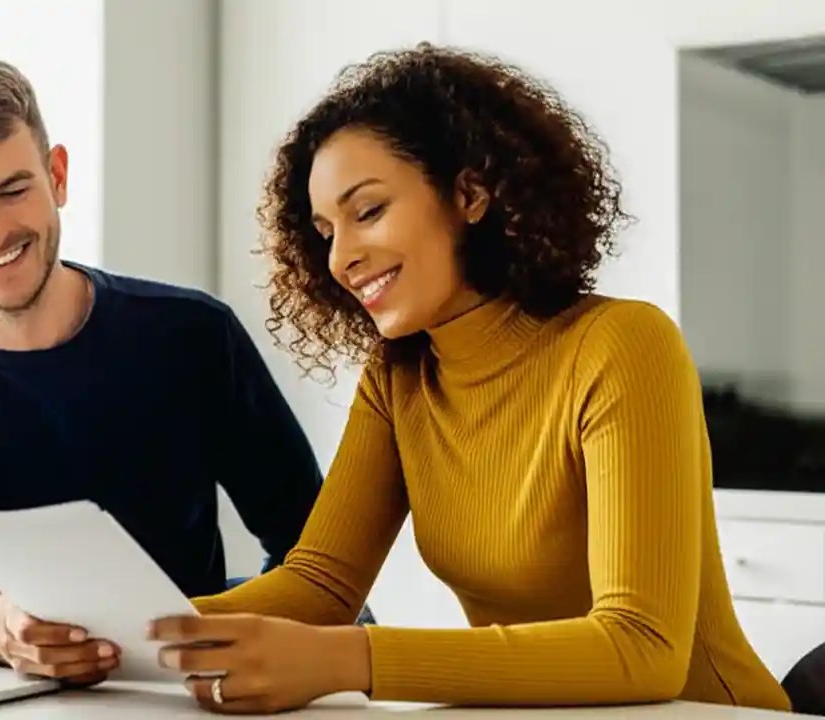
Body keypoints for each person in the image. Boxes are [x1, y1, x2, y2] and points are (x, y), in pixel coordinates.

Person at [148, 44, 792, 714]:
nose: (341, 257)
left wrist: (351, 659)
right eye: (324, 231)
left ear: (470, 194)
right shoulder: (399, 377)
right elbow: (320, 582)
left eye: (367, 211)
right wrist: (134, 633)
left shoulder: (622, 345)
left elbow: (641, 647)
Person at [0, 57, 323, 686]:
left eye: (13, 190)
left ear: (57, 176)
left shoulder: (191, 336)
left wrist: (217, 635)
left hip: (185, 696)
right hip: (4, 701)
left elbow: (320, 558)